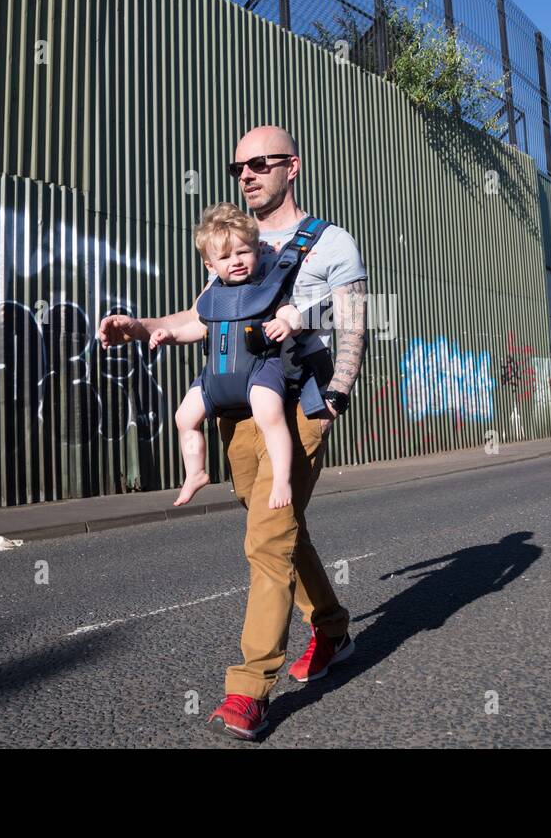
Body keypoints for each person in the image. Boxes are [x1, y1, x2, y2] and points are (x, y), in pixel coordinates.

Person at [97, 125, 368, 740]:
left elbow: (355, 316)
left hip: (294, 402)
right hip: (233, 409)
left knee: (267, 538)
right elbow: (199, 316)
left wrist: (337, 393)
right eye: (239, 167)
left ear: (291, 167)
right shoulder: (232, 241)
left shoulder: (329, 243)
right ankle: (330, 628)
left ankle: (248, 690)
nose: (248, 174)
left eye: (262, 164)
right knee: (268, 518)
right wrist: (140, 326)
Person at [151, 203, 305, 510]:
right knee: (184, 417)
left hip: (258, 371)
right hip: (214, 379)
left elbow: (293, 314)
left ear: (257, 252)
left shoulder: (267, 289)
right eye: (224, 257)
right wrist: (169, 335)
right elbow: (196, 327)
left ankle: (281, 479)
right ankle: (195, 473)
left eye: (242, 253)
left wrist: (286, 323)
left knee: (269, 414)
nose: (235, 261)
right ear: (210, 266)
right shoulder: (211, 297)